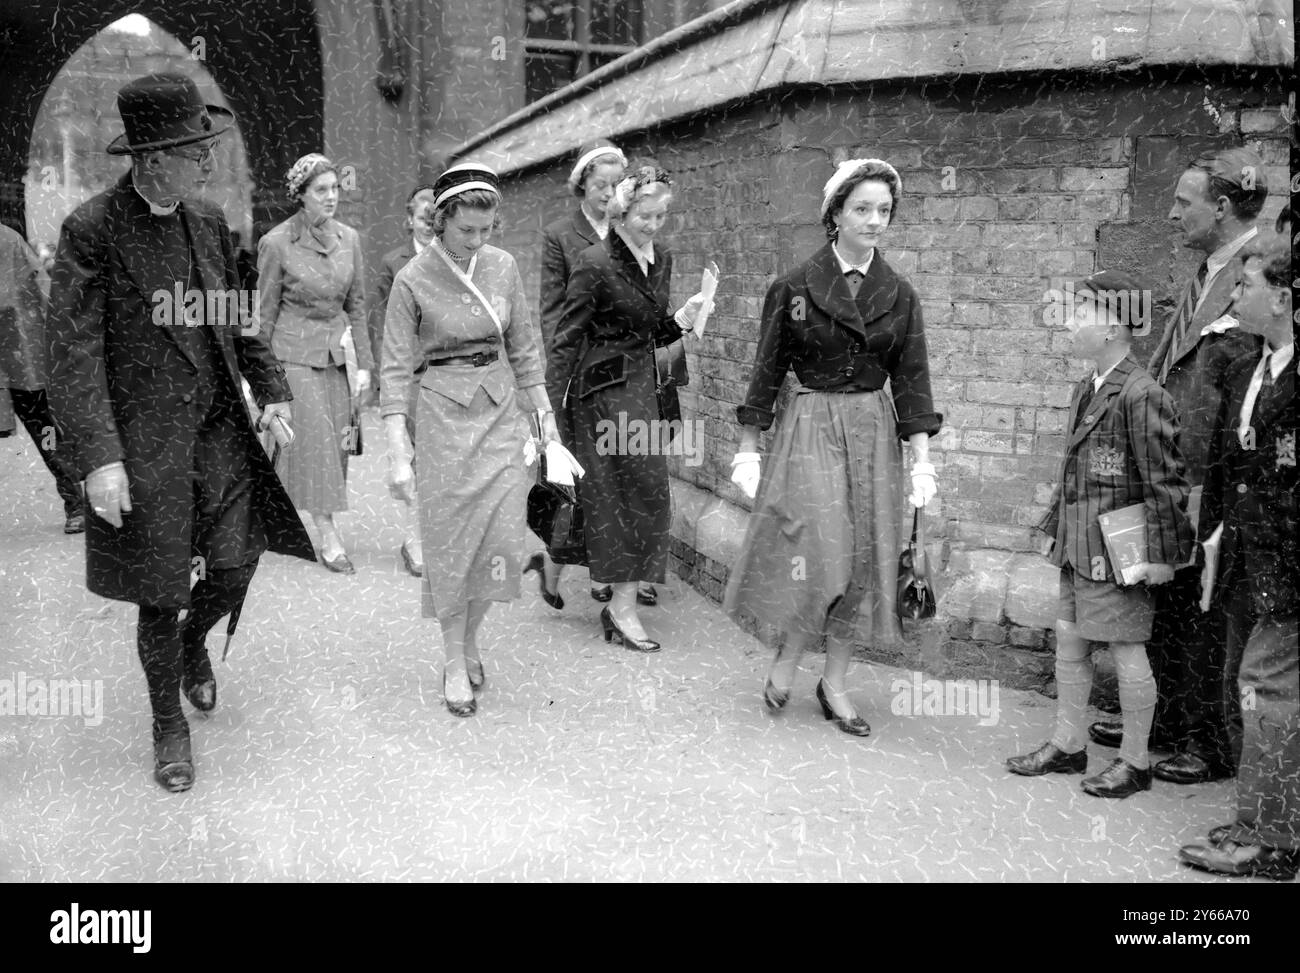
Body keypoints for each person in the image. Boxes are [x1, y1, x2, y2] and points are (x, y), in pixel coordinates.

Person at [45, 73, 315, 793]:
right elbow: (72, 356)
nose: (207, 161)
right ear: (150, 156)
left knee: (235, 564)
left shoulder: (209, 223)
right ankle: (166, 720)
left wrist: (274, 393)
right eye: (195, 150)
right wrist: (97, 458)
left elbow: (238, 324)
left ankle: (196, 642)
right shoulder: (91, 230)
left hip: (219, 431)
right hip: (142, 444)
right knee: (159, 590)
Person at [723, 158, 941, 736]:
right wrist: (749, 446)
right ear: (835, 215)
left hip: (874, 429)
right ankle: (789, 658)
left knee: (864, 560)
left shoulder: (900, 294)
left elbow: (914, 378)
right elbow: (766, 371)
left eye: (884, 211)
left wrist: (922, 460)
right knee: (821, 554)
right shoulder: (794, 287)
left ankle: (836, 682)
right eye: (862, 209)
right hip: (812, 425)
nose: (875, 221)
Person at [1091, 148, 1265, 783]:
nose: (1171, 212)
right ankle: (1166, 718)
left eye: (1184, 202)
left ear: (1220, 207)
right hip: (1176, 467)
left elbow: (1241, 385)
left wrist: (1211, 483)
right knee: (1170, 593)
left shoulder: (1254, 271)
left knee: (1207, 605)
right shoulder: (1207, 269)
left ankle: (1210, 741)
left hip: (1216, 471)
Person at [382, 162, 571, 717]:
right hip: (441, 414)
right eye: (467, 230)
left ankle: (469, 642)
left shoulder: (502, 266)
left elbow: (526, 348)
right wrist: (398, 452)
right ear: (439, 223)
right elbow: (395, 372)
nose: (478, 241)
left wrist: (546, 420)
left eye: (487, 230)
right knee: (451, 543)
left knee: (500, 542)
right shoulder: (412, 279)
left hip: (500, 411)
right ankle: (451, 658)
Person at [1008, 270, 1192, 798]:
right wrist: (1050, 527)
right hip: (1078, 542)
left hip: (1118, 549)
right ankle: (1068, 746)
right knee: (1069, 635)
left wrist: (1163, 554)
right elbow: (1072, 470)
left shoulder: (1141, 394)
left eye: (1081, 313)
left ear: (1113, 327)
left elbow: (1165, 482)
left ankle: (1134, 762)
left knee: (1126, 647)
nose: (1069, 323)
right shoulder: (1084, 389)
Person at [545, 163, 707, 653]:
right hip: (602, 394)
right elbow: (565, 341)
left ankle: (571, 572)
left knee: (645, 492)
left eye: (661, 216)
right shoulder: (594, 262)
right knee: (618, 495)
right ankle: (621, 606)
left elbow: (653, 329)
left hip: (646, 389)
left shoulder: (664, 259)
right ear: (621, 211)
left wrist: (683, 318)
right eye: (645, 216)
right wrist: (549, 421)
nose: (653, 226)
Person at [1178, 235, 1297, 879]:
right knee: (1256, 688)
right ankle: (1271, 822)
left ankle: (1268, 838)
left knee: (1266, 689)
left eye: (1247, 285)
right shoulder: (1262, 362)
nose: (1236, 294)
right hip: (1251, 558)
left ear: (1281, 297)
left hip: (1286, 568)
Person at [528, 140, 668, 609]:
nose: (609, 192)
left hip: (632, 376)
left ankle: (614, 574)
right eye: (600, 184)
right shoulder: (564, 238)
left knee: (614, 481)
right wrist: (557, 387)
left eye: (616, 183)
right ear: (583, 186)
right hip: (586, 371)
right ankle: (571, 565)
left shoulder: (645, 242)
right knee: (583, 482)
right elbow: (555, 316)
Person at [256, 153, 374, 574]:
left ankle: (266, 509)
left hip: (336, 358)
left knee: (337, 444)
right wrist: (260, 378)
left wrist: (364, 366)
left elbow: (358, 306)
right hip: (292, 356)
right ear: (301, 196)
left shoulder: (351, 240)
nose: (331, 197)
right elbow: (263, 315)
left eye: (335, 189)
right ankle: (327, 534)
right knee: (317, 444)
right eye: (321, 190)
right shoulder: (276, 243)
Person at [370, 183, 437, 577]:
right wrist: (386, 378)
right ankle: (414, 539)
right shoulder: (392, 263)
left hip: (447, 373)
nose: (428, 224)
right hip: (411, 375)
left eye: (434, 217)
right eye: (421, 216)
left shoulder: (454, 259)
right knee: (414, 459)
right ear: (408, 219)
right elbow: (380, 321)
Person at [0, 221, 84, 532]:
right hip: (18, 353)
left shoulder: (7, 240)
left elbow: (41, 286)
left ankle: (77, 501)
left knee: (46, 431)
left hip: (19, 353)